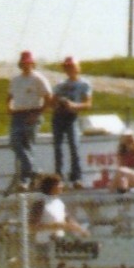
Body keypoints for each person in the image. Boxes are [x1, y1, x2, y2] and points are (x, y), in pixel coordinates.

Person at [6, 50, 53, 189]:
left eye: (28, 63)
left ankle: (25, 179)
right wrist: (9, 107)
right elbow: (9, 96)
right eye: (24, 63)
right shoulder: (15, 80)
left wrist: (37, 114)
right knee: (15, 142)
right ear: (20, 64)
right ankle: (34, 171)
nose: (26, 65)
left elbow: (48, 98)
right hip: (17, 114)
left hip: (32, 112)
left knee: (27, 145)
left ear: (33, 64)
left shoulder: (38, 78)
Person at [51, 56, 93, 188]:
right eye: (67, 67)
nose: (70, 69)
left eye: (72, 66)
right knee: (58, 148)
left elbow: (88, 103)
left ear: (78, 68)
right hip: (58, 117)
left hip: (72, 116)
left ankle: (76, 177)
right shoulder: (60, 84)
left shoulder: (84, 84)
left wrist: (73, 105)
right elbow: (52, 101)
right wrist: (59, 103)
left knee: (74, 146)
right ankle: (59, 177)